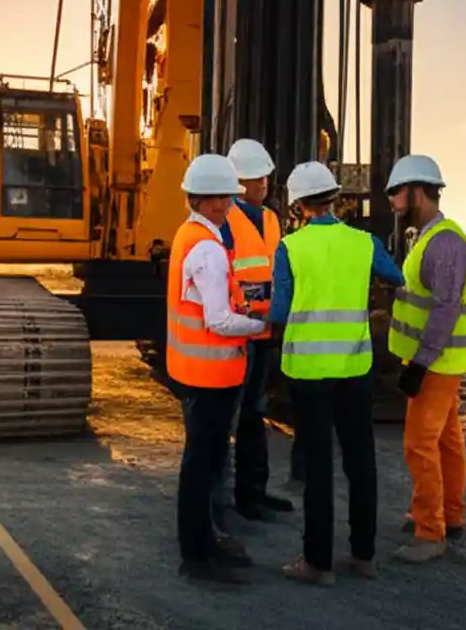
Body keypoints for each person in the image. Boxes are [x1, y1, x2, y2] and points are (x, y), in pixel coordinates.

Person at [270, 161, 406, 586]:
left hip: (308, 370)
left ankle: (318, 563)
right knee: (360, 460)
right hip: (354, 366)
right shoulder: (364, 243)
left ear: (298, 205)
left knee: (318, 465)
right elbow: (396, 276)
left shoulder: (290, 248)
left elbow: (278, 312)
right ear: (334, 199)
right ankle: (364, 556)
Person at [169, 153, 269, 585]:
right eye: (228, 197)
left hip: (195, 372)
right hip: (212, 376)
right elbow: (218, 320)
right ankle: (197, 556)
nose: (231, 204)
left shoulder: (187, 235)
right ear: (215, 202)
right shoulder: (209, 248)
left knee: (201, 465)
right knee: (202, 468)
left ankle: (203, 545)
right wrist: (261, 324)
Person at [385, 154, 466, 564]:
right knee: (446, 440)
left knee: (419, 444)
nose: (390, 201)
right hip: (439, 359)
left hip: (437, 363)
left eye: (395, 193)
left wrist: (420, 364)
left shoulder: (444, 243)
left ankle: (430, 532)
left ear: (416, 192)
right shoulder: (427, 237)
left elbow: (444, 308)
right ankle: (450, 517)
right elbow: (426, 301)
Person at [205, 138, 296, 524]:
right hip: (236, 333)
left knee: (254, 414)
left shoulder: (272, 219)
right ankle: (222, 501)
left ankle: (252, 493)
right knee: (230, 417)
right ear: (245, 182)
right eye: (261, 177)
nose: (266, 183)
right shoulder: (225, 221)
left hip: (262, 332)